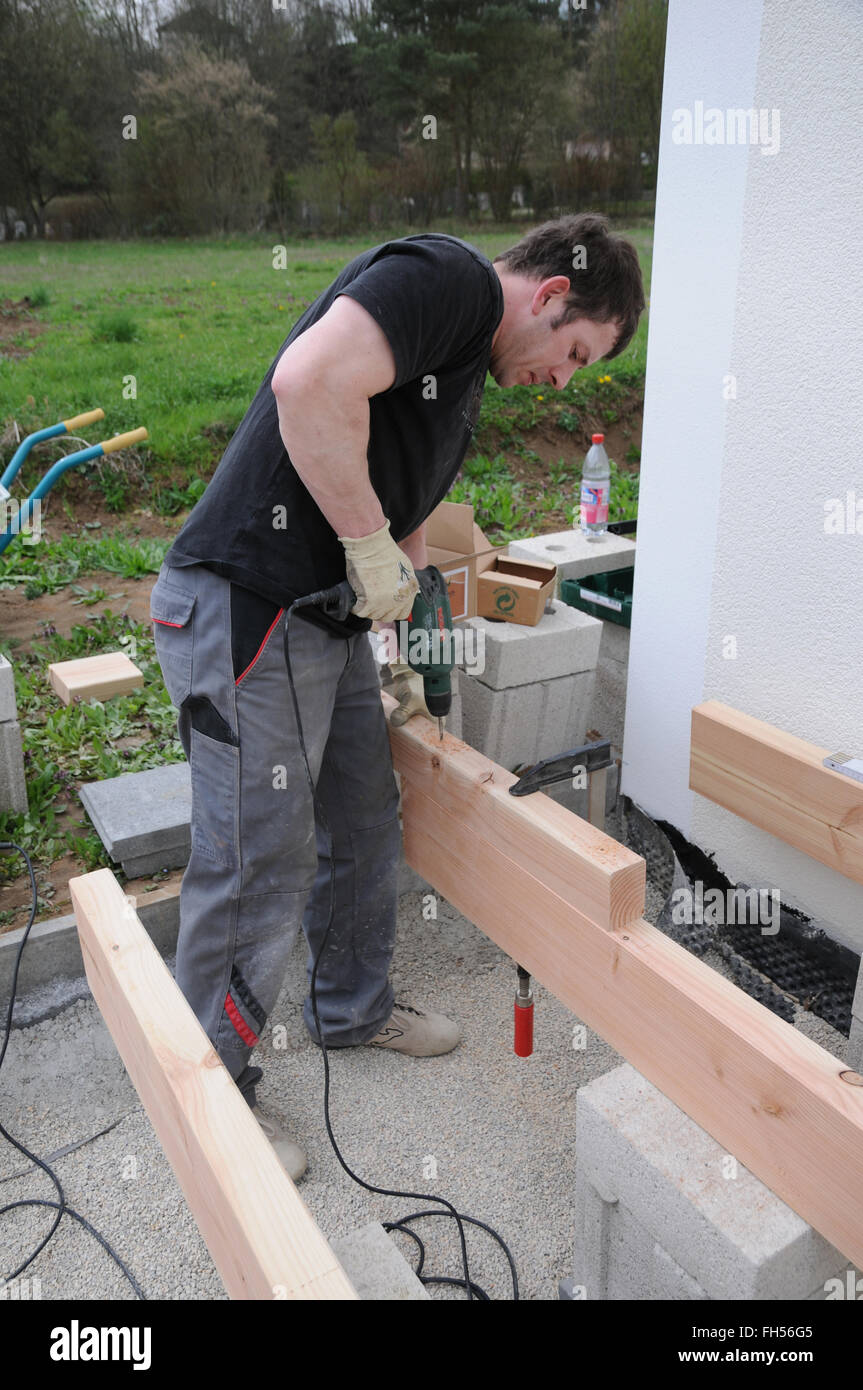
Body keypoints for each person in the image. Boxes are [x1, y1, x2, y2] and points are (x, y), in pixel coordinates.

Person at [149, 213, 645, 1180]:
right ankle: (211, 1093)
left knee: (367, 814)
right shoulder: (450, 282)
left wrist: (407, 631)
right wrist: (370, 549)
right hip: (248, 604)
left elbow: (399, 511)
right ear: (548, 298)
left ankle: (350, 1008)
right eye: (575, 352)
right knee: (259, 858)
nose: (565, 378)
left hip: (324, 621)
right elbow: (308, 382)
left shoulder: (455, 371)